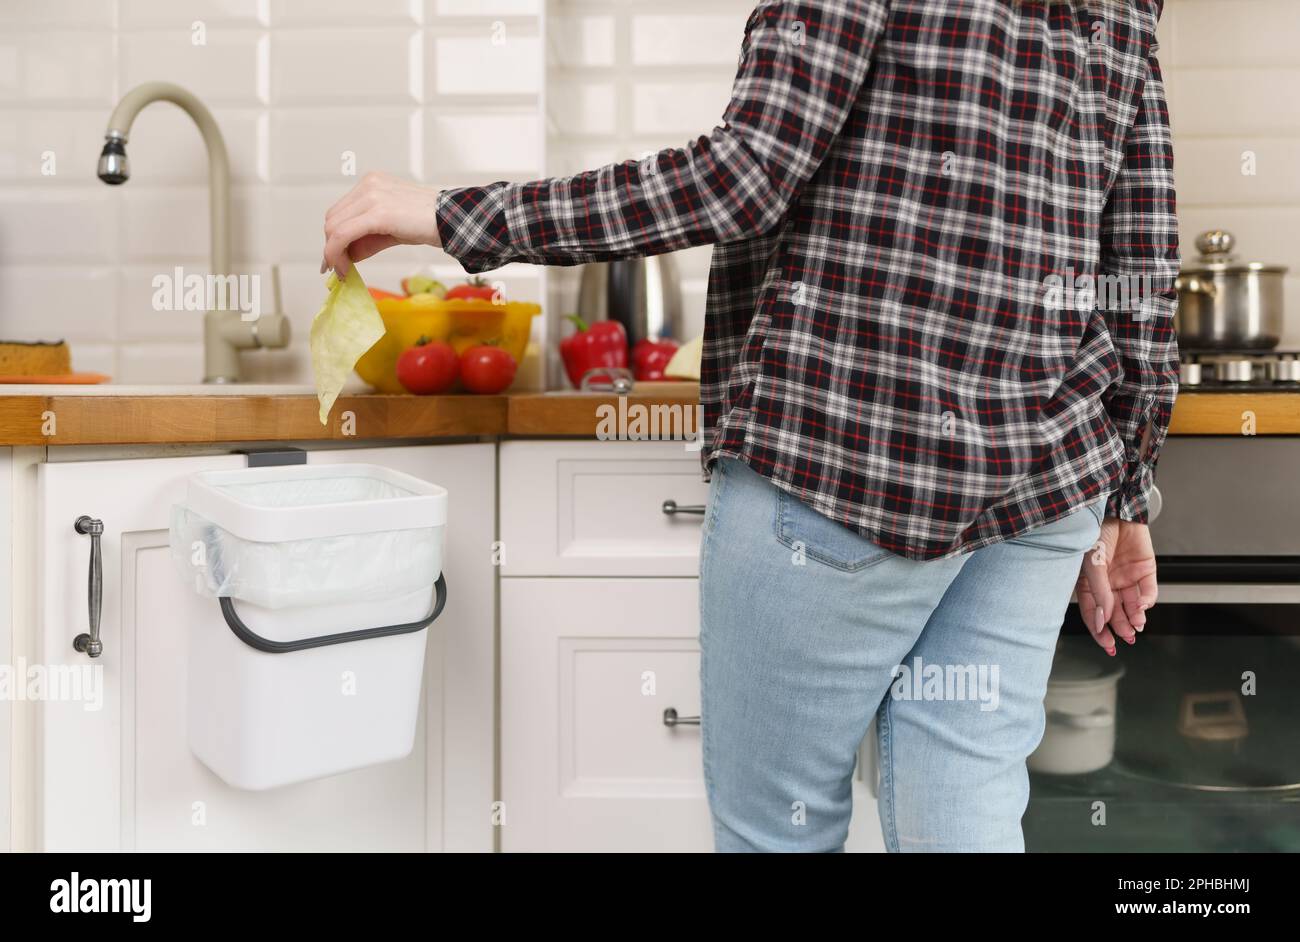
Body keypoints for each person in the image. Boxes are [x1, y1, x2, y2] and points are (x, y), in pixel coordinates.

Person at [322, 0, 1178, 852]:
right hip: (1044, 473)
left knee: (779, 833)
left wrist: (453, 213)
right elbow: (1140, 243)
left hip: (849, 445)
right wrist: (1126, 496)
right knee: (967, 808)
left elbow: (746, 174)